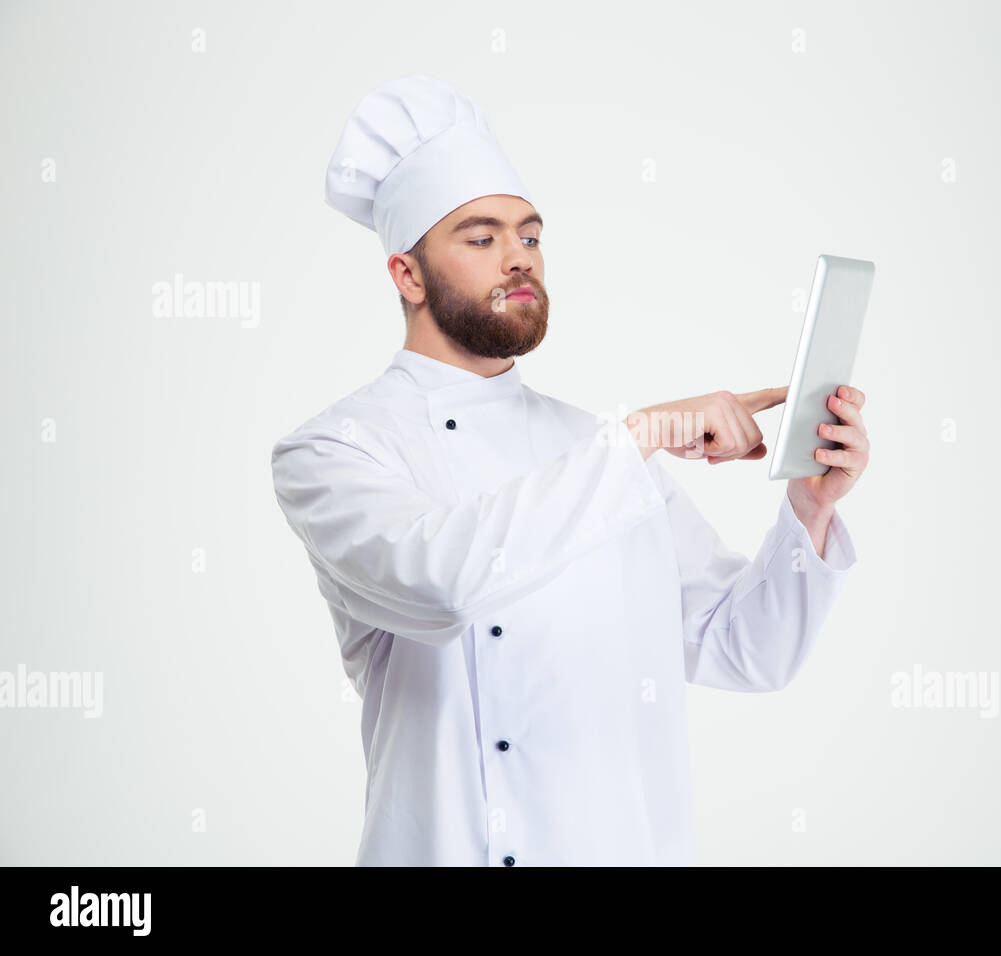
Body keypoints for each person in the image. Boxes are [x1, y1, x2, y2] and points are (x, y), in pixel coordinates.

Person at [270, 75, 870, 866]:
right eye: (481, 238)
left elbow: (741, 649)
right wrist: (640, 437)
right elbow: (441, 580)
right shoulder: (336, 450)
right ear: (406, 276)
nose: (518, 259)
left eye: (529, 235)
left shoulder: (599, 450)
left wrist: (810, 507)